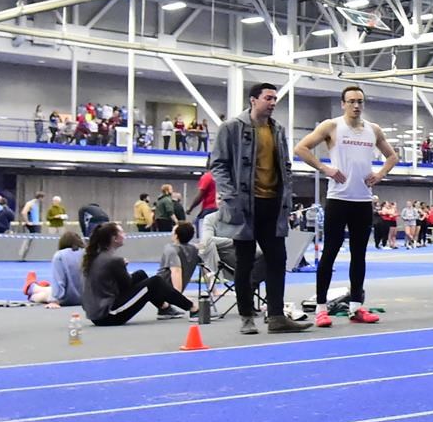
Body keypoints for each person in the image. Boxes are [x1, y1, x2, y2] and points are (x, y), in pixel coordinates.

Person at [209, 82, 308, 335]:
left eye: (275, 99)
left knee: (278, 259)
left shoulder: (278, 130)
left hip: (273, 204)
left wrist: (287, 189)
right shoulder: (231, 128)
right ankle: (246, 317)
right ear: (253, 100)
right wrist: (231, 194)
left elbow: (285, 165)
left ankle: (275, 316)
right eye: (268, 98)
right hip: (244, 206)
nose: (273, 103)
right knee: (244, 262)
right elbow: (218, 165)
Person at [294, 84, 395, 326]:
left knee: (359, 256)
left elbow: (392, 156)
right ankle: (321, 309)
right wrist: (324, 168)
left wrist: (380, 174)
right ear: (343, 104)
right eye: (351, 101)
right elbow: (301, 148)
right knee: (329, 254)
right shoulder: (331, 126)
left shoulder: (374, 130)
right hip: (338, 199)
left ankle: (356, 308)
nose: (356, 105)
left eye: (360, 101)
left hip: (362, 201)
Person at [81, 222, 195, 326]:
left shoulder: (96, 256)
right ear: (114, 238)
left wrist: (121, 268)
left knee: (141, 274)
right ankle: (193, 308)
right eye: (121, 232)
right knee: (155, 282)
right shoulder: (113, 260)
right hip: (109, 314)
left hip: (96, 313)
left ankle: (164, 308)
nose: (124, 234)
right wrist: (122, 267)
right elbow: (127, 285)